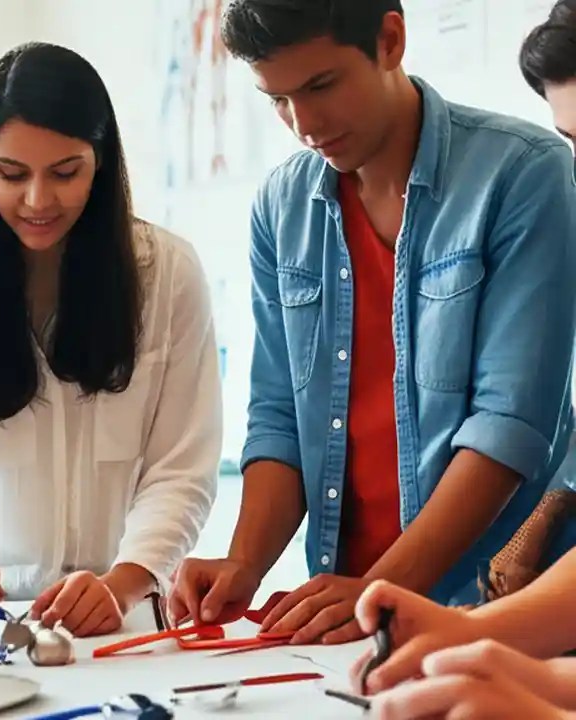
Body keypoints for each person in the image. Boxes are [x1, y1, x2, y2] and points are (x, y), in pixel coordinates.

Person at [169, 0, 576, 646]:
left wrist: (382, 591)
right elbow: (279, 416)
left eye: (320, 86)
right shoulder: (281, 207)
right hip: (345, 618)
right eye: (277, 100)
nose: (303, 124)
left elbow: (511, 427)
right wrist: (243, 563)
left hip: (498, 612)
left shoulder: (525, 175)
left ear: (390, 39)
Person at [0, 41, 222, 638]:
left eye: (65, 173)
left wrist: (123, 584)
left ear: (101, 163)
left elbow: (182, 464)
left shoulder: (168, 273)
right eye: (12, 175)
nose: (38, 201)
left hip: (129, 614)